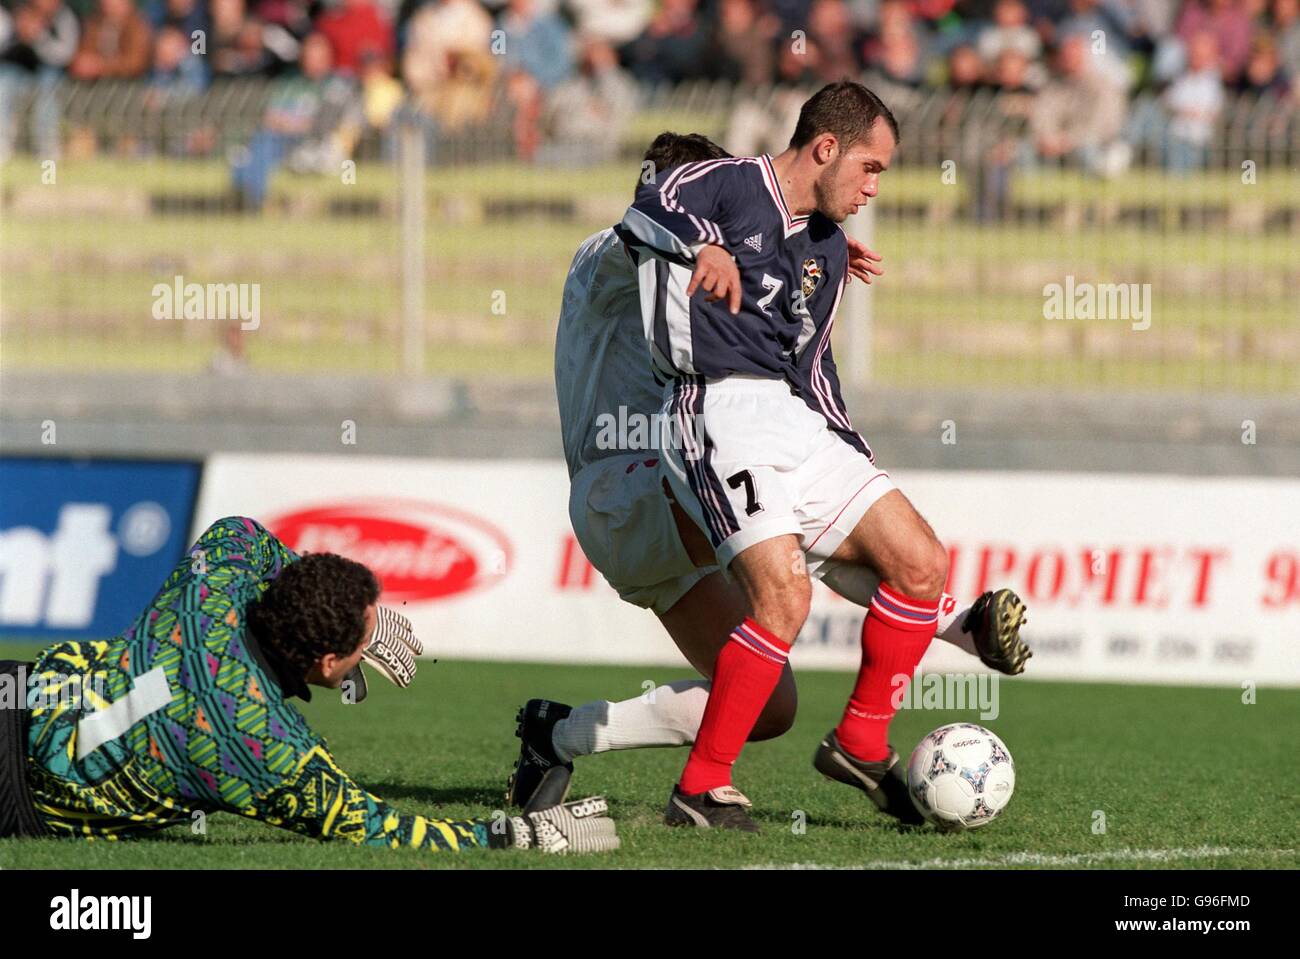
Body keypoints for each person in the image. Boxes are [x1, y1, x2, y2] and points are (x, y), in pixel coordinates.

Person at [510, 126, 1031, 831]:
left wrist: (795, 259)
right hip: (628, 485)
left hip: (665, 500)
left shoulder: (702, 264)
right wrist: (720, 244)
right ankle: (950, 623)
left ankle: (557, 734)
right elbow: (649, 234)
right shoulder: (610, 254)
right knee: (782, 538)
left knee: (768, 705)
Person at [0, 516, 617, 855]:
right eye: (362, 638)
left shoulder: (209, 588)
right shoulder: (268, 750)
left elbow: (241, 534)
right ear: (326, 665)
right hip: (22, 804)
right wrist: (509, 835)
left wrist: (326, 599)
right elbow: (380, 827)